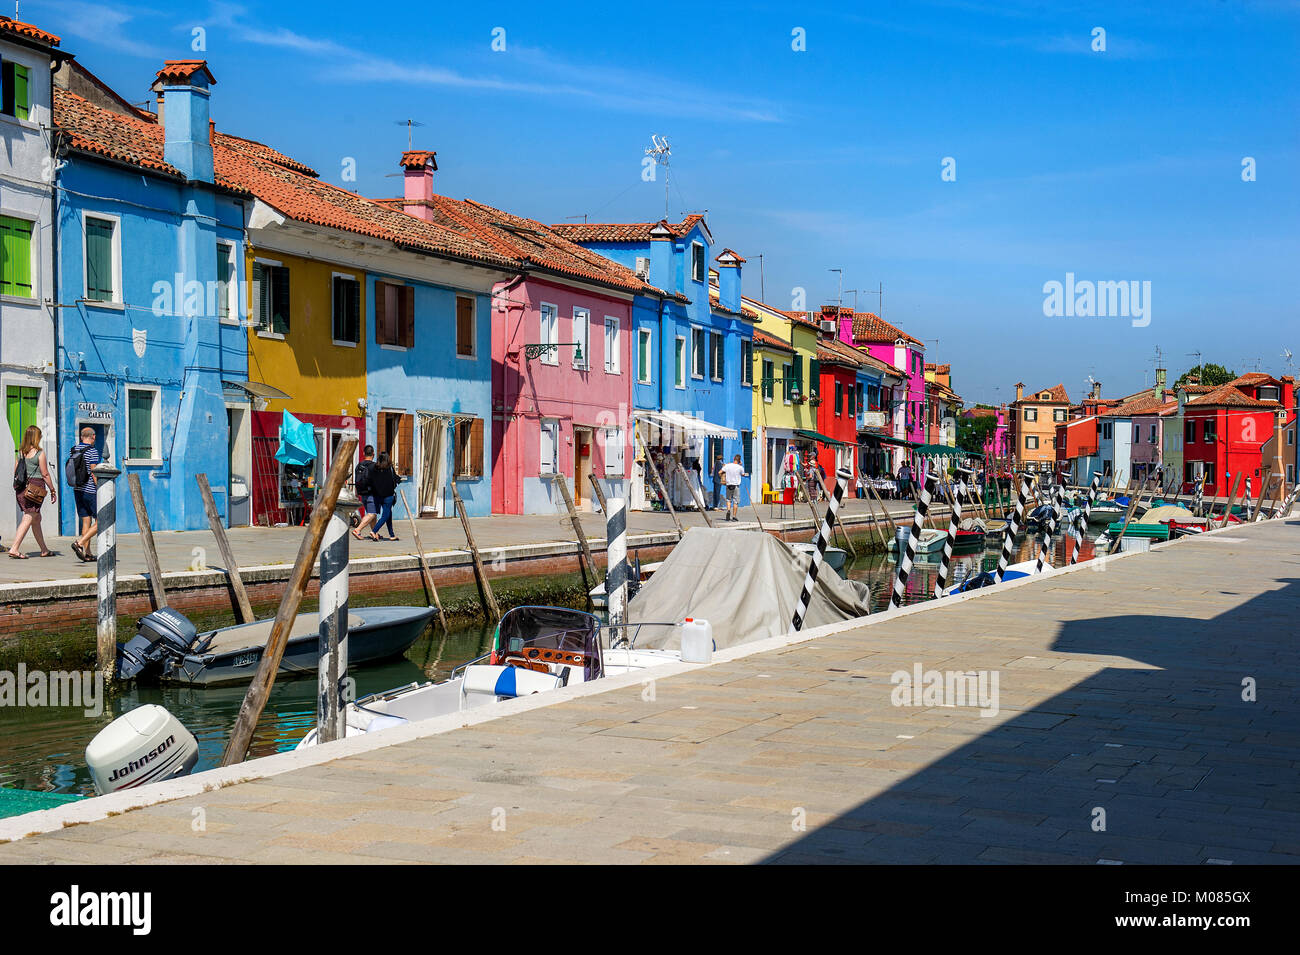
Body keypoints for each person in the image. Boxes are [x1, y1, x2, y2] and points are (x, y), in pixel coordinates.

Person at [9, 425, 56, 558]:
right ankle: (14, 548)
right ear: (36, 437)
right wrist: (52, 490)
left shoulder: (20, 453)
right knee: (29, 516)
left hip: (21, 488)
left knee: (36, 518)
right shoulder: (39, 453)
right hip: (35, 489)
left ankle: (44, 549)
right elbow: (45, 474)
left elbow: (16, 472)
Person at [69, 425, 100, 562]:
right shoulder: (93, 451)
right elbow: (93, 472)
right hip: (90, 491)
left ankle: (87, 553)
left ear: (81, 437)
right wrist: (100, 488)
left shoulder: (74, 450)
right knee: (101, 521)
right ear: (93, 437)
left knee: (86, 521)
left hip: (77, 490)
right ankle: (79, 543)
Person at [369, 451, 399, 540]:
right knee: (385, 515)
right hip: (388, 496)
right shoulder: (390, 468)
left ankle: (392, 535)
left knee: (389, 514)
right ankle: (374, 531)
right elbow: (395, 479)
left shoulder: (375, 468)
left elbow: (372, 481)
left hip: (378, 496)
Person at [352, 445, 377, 540]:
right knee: (372, 514)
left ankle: (375, 533)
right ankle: (357, 530)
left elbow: (356, 480)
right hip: (372, 493)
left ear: (363, 453)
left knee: (372, 514)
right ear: (373, 454)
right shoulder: (374, 466)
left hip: (362, 493)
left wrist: (357, 492)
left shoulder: (359, 465)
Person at [719, 454, 746, 522]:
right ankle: (734, 516)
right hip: (736, 485)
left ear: (734, 458)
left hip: (728, 484)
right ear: (739, 460)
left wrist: (722, 478)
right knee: (735, 501)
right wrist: (741, 465)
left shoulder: (728, 465)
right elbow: (743, 474)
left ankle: (728, 510)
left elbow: (720, 472)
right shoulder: (740, 467)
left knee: (728, 499)